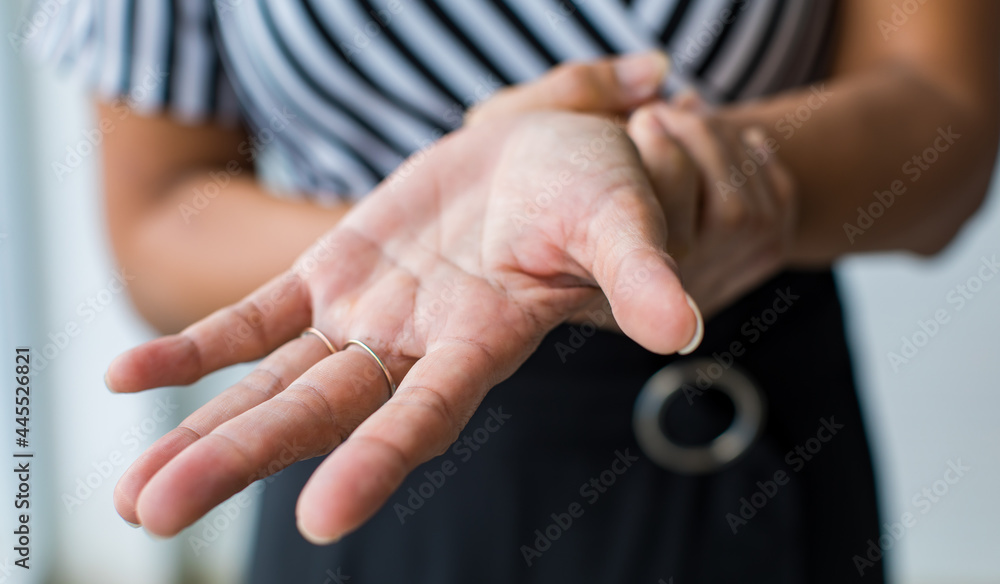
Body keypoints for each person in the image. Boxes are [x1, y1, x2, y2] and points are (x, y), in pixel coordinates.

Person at [34, 0, 998, 582]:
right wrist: (432, 249)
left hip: (745, 428)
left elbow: (944, 119)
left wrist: (684, 182)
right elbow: (158, 213)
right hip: (379, 431)